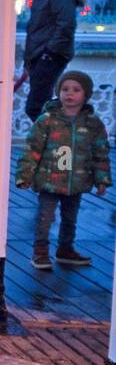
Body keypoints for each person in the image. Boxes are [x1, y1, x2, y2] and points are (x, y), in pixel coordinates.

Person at [15, 70, 110, 270]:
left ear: (86, 95)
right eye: (65, 89)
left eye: (76, 90)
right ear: (59, 92)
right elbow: (33, 148)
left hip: (76, 181)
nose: (70, 94)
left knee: (70, 218)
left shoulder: (93, 125)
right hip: (49, 180)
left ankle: (65, 249)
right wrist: (25, 175)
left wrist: (102, 179)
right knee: (45, 217)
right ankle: (40, 251)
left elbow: (100, 152)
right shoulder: (47, 120)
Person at [15, 0, 87, 122]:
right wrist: (30, 60)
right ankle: (58, 143)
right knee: (42, 105)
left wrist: (49, 53)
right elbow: (39, 29)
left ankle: (60, 142)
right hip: (41, 57)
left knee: (36, 107)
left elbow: (66, 24)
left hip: (47, 57)